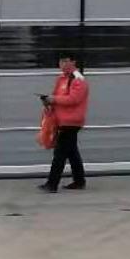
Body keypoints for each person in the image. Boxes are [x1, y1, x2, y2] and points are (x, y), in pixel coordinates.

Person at [40, 54, 89, 192]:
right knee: (72, 152)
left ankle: (52, 184)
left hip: (71, 121)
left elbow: (74, 99)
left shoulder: (78, 79)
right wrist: (48, 102)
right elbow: (57, 96)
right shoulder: (61, 79)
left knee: (60, 153)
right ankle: (79, 181)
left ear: (73, 62)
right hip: (61, 120)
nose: (63, 64)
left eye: (66, 61)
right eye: (61, 61)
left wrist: (54, 99)